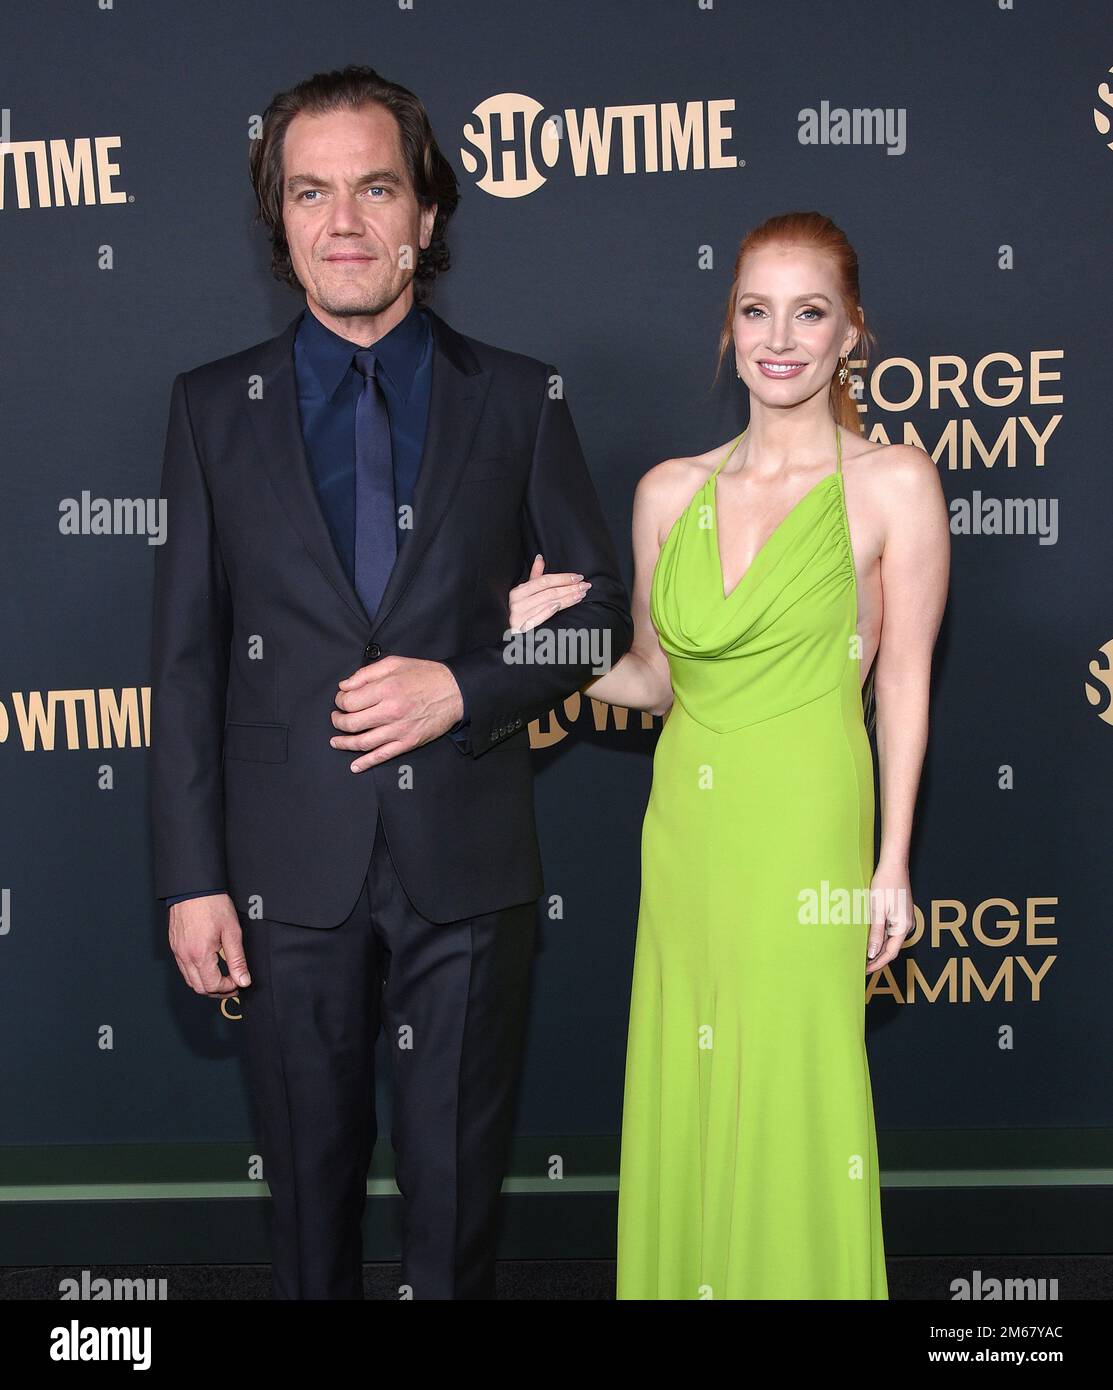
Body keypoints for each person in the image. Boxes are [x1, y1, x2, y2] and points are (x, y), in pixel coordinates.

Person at [149, 64, 633, 1300]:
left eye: (376, 187)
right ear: (283, 224)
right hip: (281, 870)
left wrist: (464, 687)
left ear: (427, 214)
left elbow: (599, 625)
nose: (345, 220)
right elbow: (187, 661)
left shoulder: (521, 399)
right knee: (306, 1211)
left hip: (464, 864)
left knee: (456, 1201)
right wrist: (193, 877)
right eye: (311, 193)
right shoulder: (212, 409)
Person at [509, 212, 950, 1298]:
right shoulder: (670, 490)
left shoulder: (895, 482)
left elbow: (902, 685)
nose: (780, 337)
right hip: (691, 833)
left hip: (808, 824)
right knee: (692, 1081)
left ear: (853, 332)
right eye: (756, 310)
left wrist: (890, 863)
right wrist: (545, 645)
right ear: (729, 328)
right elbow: (656, 681)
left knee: (797, 1089)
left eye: (810, 312)